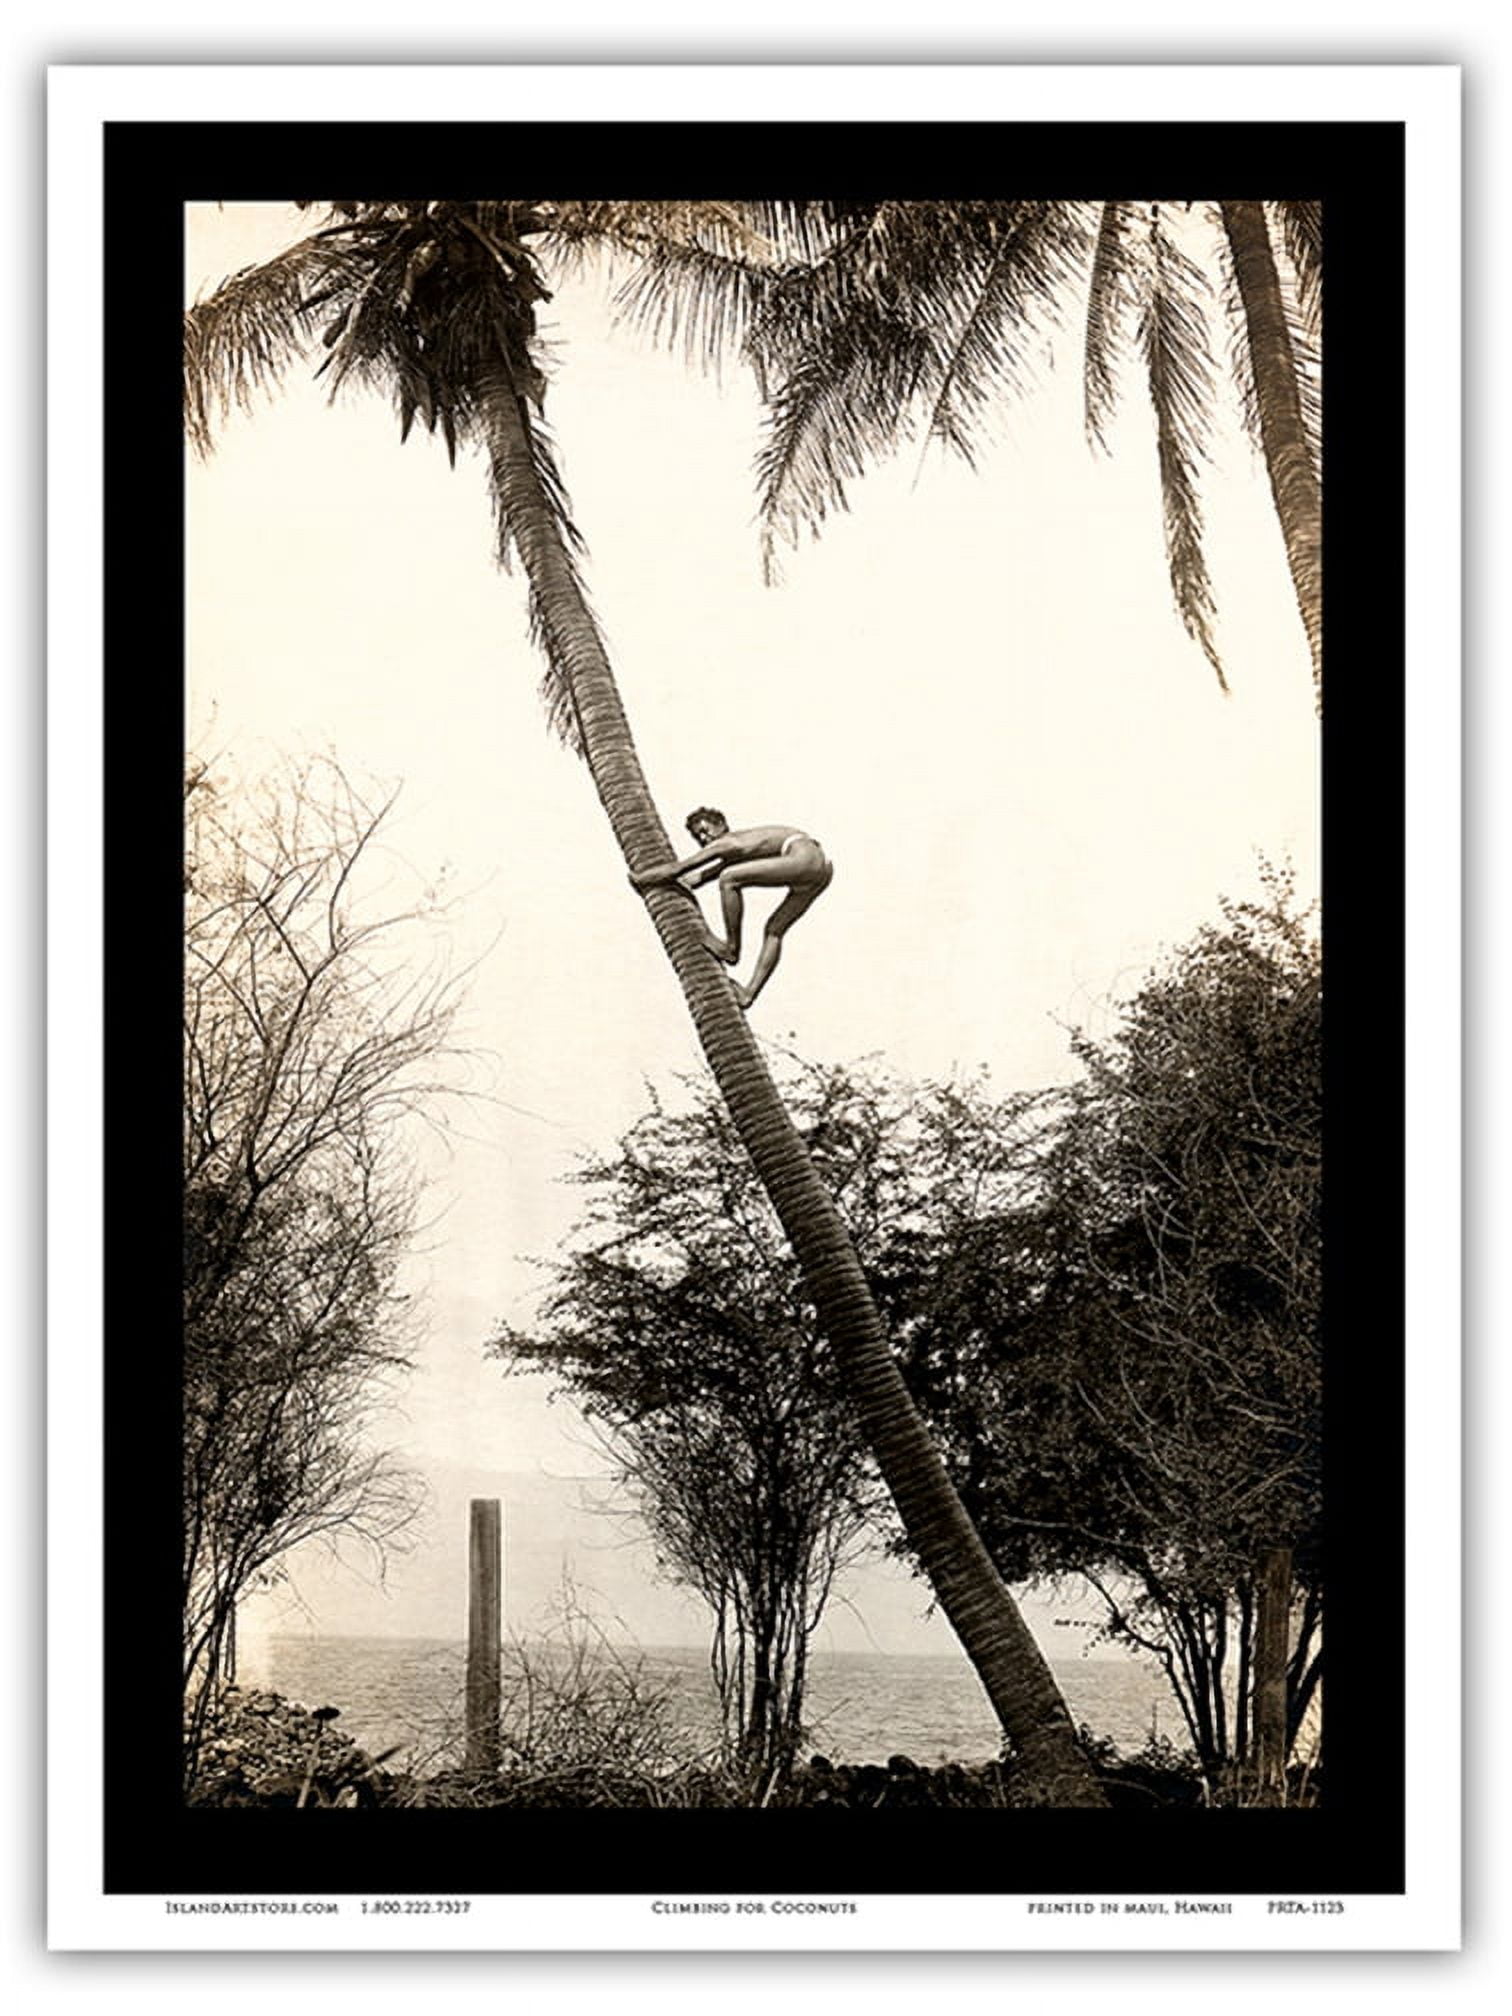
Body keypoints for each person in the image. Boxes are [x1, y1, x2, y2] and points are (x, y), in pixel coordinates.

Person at [630, 807, 833, 1010]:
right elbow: (693, 879)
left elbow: (678, 868)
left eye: (705, 829)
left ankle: (731, 947)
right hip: (820, 869)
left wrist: (641, 878)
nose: (703, 837)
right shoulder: (739, 847)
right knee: (774, 930)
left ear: (721, 825)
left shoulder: (727, 843)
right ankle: (748, 994)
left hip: (803, 857)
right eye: (697, 836)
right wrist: (663, 886)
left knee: (729, 879)